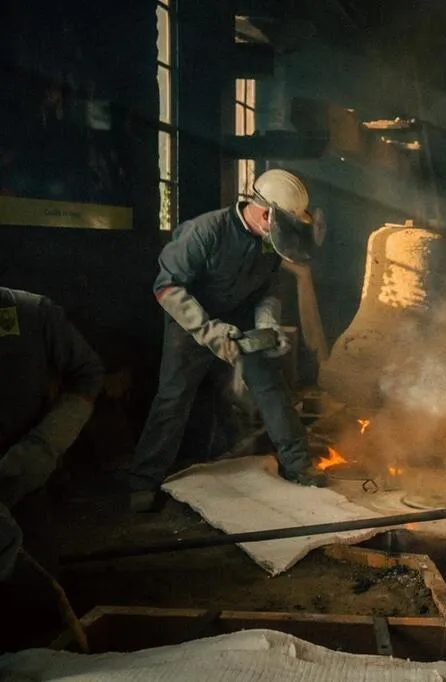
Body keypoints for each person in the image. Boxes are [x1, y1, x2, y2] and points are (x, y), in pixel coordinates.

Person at [129, 169, 326, 513]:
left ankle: (299, 466)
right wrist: (209, 332)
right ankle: (144, 482)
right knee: (173, 400)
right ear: (267, 213)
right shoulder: (206, 231)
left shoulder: (272, 239)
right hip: (190, 320)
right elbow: (167, 287)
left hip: (240, 318)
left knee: (271, 388)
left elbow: (269, 289)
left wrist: (267, 326)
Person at [0, 286, 104, 649]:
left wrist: (42, 449)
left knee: (37, 611)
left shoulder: (31, 314)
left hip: (22, 485)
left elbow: (87, 373)